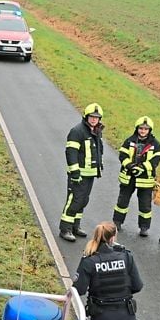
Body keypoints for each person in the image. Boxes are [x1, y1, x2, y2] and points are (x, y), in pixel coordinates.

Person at [60, 103, 105, 242]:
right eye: (91, 117)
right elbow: (71, 152)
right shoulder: (77, 131)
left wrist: (99, 165)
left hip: (89, 174)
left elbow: (97, 150)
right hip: (78, 175)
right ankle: (65, 228)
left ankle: (75, 226)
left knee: (83, 200)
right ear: (86, 116)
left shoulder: (96, 131)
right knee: (74, 200)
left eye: (96, 117)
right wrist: (75, 172)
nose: (93, 120)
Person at [112, 116, 160, 236]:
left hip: (145, 180)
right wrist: (130, 166)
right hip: (128, 176)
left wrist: (142, 168)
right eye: (141, 128)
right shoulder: (129, 141)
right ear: (137, 128)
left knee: (145, 205)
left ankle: (144, 227)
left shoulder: (155, 144)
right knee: (122, 201)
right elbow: (122, 155)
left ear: (150, 130)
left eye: (146, 129)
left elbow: (156, 159)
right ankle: (117, 222)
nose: (143, 131)